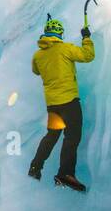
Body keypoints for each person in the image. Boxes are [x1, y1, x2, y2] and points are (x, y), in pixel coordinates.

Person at [28, 13, 94, 191]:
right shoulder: (65, 48)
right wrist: (86, 37)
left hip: (53, 106)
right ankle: (65, 174)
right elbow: (88, 56)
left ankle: (35, 167)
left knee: (52, 136)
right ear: (60, 34)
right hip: (69, 103)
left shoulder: (37, 56)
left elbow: (36, 71)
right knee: (72, 137)